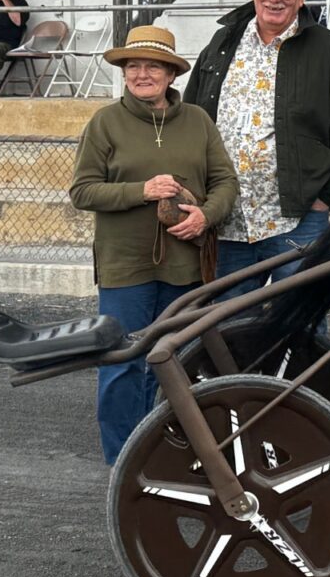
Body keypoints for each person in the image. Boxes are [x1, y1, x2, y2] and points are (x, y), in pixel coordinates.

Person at [70, 25, 237, 465]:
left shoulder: (198, 121)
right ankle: (124, 462)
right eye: (134, 66)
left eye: (153, 66)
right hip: (126, 267)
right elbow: (83, 191)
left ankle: (172, 453)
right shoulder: (105, 122)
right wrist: (140, 191)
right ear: (124, 72)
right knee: (123, 363)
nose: (142, 74)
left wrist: (207, 214)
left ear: (170, 74)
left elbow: (224, 181)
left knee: (179, 365)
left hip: (186, 267)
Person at [184, 0, 330, 301]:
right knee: (227, 326)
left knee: (299, 321)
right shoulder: (222, 43)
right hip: (227, 219)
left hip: (297, 218)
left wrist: (326, 196)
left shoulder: (328, 49)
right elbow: (190, 117)